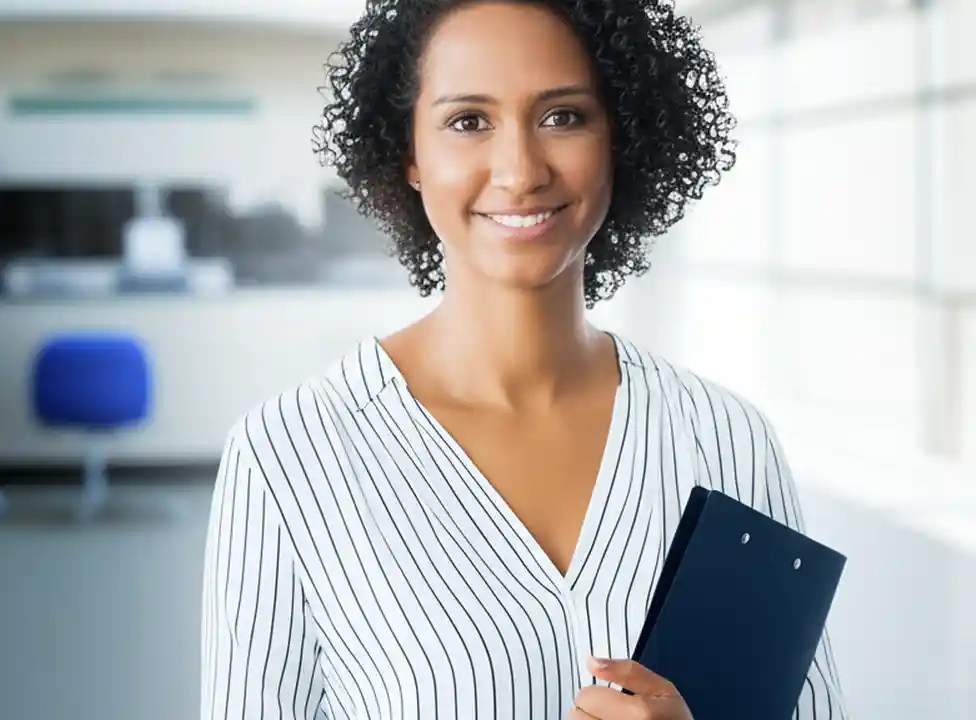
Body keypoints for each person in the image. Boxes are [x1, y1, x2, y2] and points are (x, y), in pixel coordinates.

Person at [201, 0, 849, 717]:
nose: (519, 170)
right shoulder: (287, 456)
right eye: (468, 121)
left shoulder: (728, 440)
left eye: (564, 116)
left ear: (620, 137)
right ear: (409, 156)